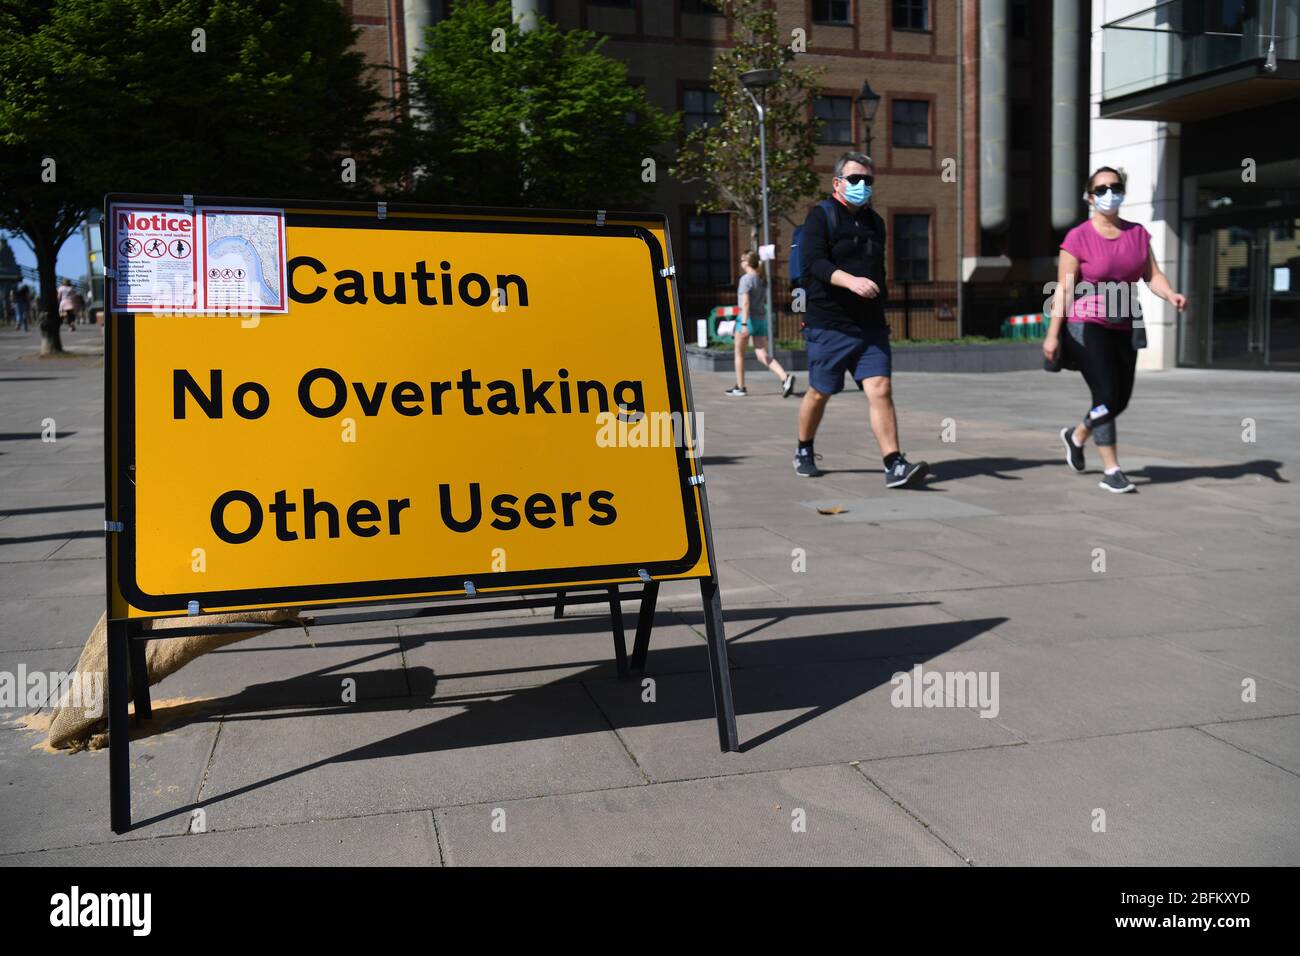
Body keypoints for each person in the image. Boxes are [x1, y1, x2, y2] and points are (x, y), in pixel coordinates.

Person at [1045, 166, 1186, 493]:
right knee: (1105, 395)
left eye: (1116, 186)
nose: (1111, 192)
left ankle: (1077, 434)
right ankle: (1112, 470)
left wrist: (1171, 294)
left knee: (1120, 400)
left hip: (1124, 323)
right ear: (1090, 197)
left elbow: (1153, 276)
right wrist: (1053, 334)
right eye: (1102, 188)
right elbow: (1064, 289)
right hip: (1086, 323)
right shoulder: (1078, 238)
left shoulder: (1137, 234)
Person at [791, 151, 927, 488]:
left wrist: (879, 305)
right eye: (855, 179)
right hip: (828, 323)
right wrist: (849, 281)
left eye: (868, 180)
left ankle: (893, 463)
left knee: (881, 388)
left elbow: (877, 270)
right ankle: (803, 449)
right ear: (837, 183)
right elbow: (814, 265)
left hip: (869, 325)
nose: (862, 185)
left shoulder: (875, 222)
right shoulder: (820, 217)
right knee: (820, 392)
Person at [725, 250, 795, 397]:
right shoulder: (760, 279)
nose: (741, 263)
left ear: (747, 263)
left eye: (742, 260)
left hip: (746, 320)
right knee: (762, 355)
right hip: (760, 320)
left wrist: (743, 324)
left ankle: (740, 387)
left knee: (739, 354)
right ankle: (785, 377)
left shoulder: (745, 279)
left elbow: (745, 303)